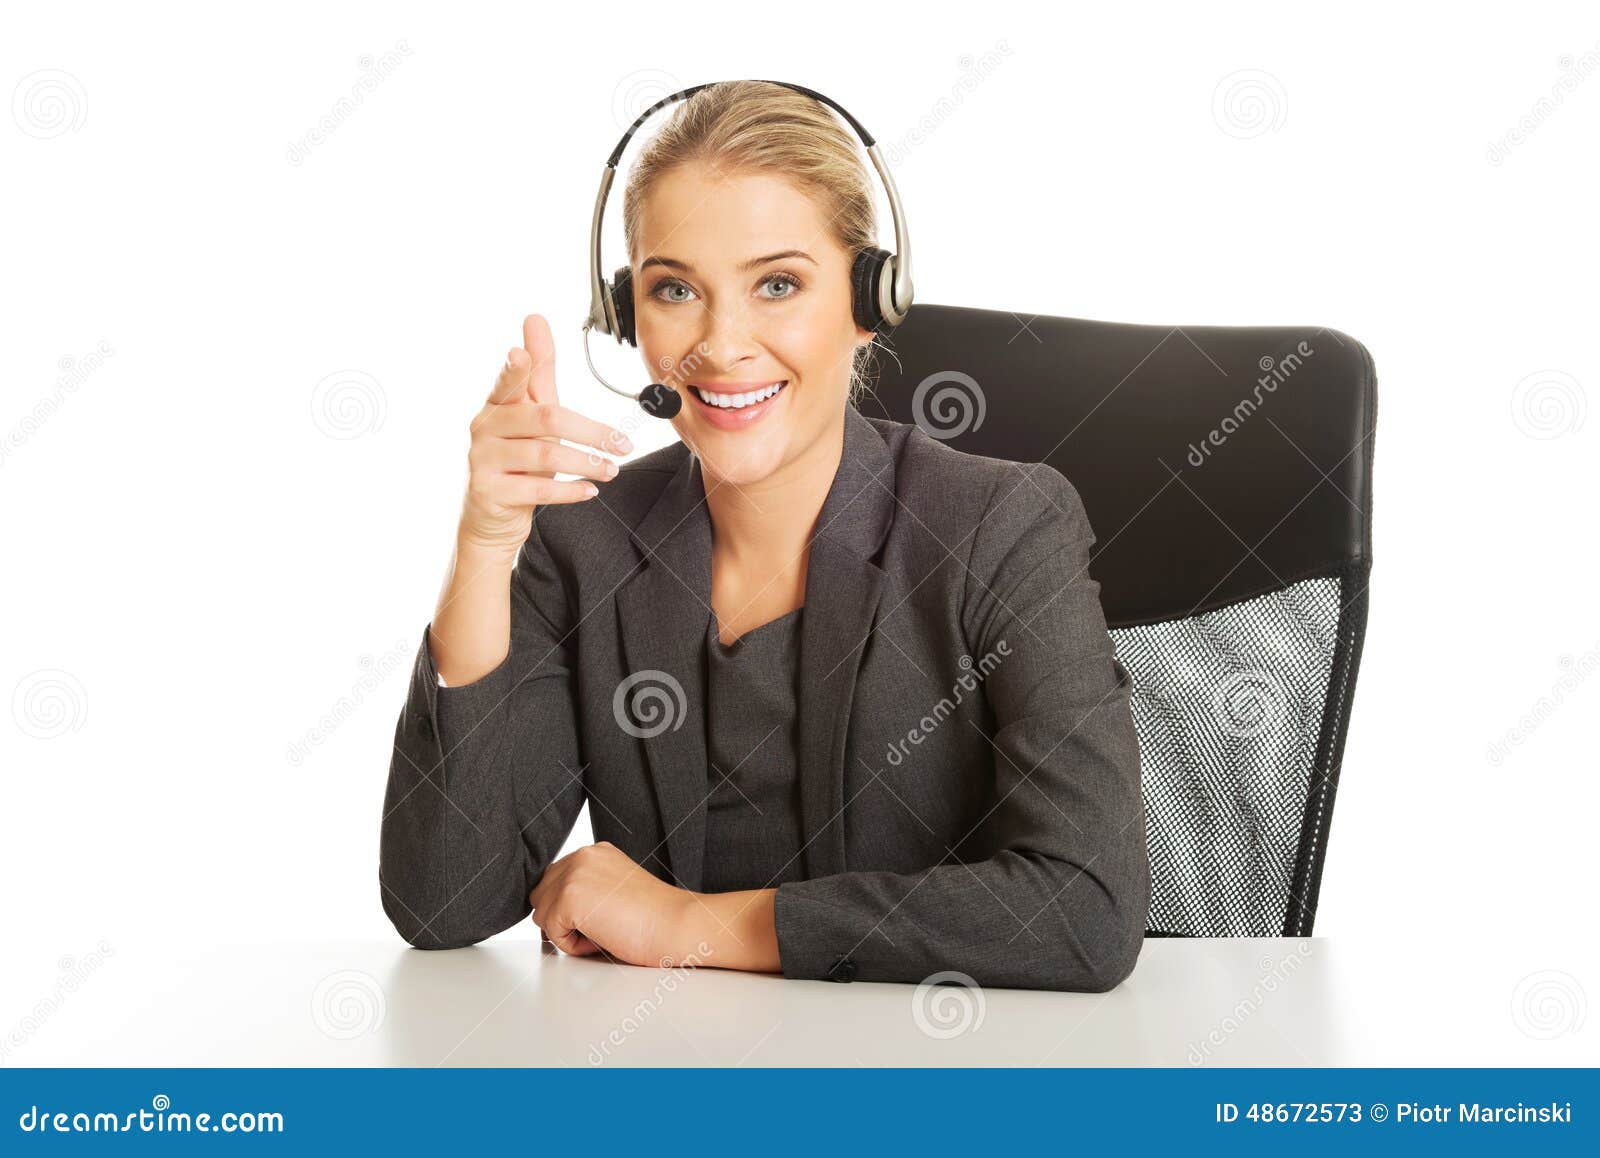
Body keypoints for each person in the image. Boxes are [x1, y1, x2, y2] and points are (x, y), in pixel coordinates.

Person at [379, 81, 1149, 991]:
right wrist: (484, 542)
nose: (720, 344)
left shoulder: (999, 529)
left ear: (872, 299)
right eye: (675, 291)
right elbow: (442, 903)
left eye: (777, 284)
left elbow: (1084, 912)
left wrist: (694, 926)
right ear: (628, 314)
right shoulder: (583, 544)